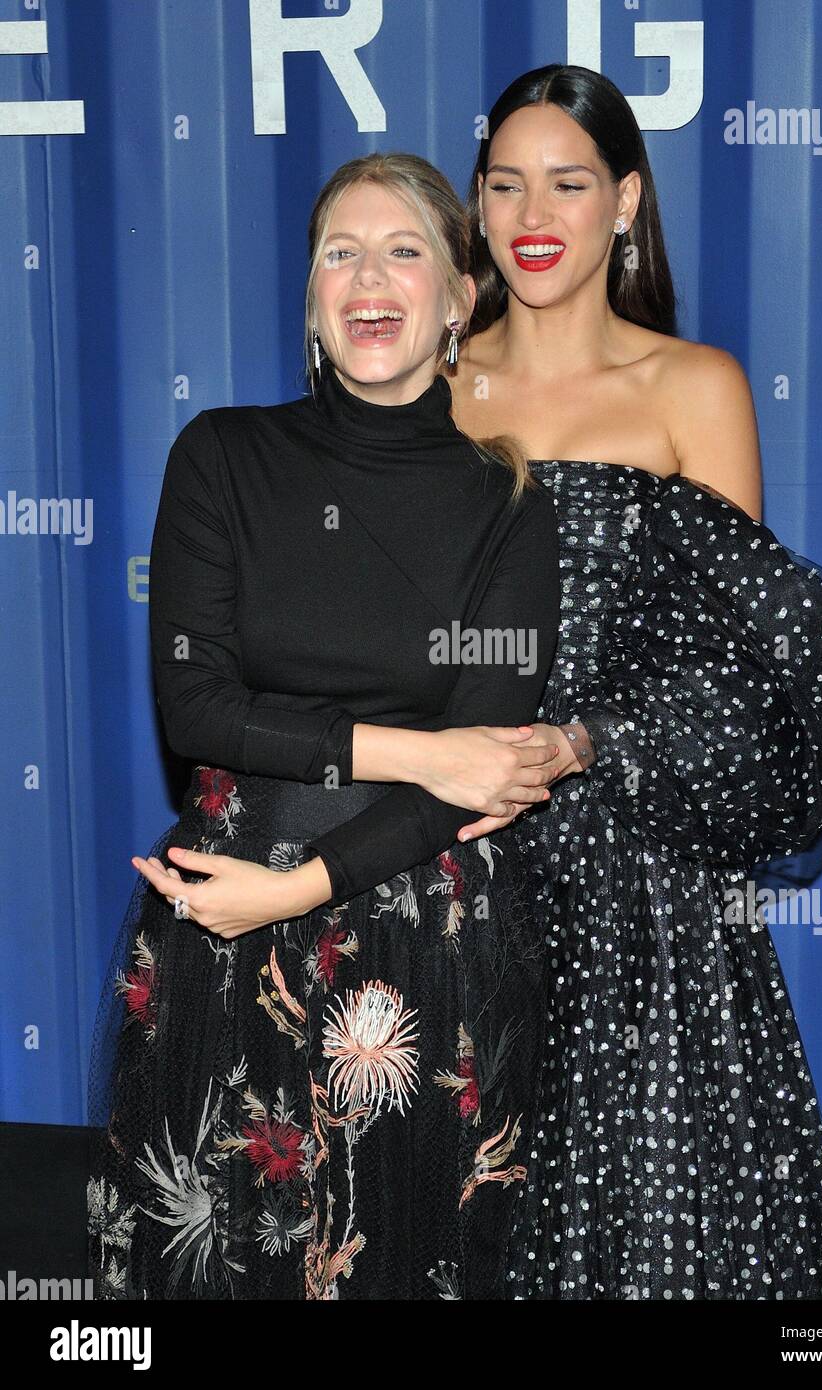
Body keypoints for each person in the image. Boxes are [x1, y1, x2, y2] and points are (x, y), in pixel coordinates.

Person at [442, 64, 822, 1300]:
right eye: (506, 184)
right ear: (478, 208)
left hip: (641, 896)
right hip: (444, 863)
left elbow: (742, 681)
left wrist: (584, 741)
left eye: (569, 181)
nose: (534, 212)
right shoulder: (434, 389)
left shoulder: (691, 388)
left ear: (627, 202)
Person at [86, 152, 562, 1301]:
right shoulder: (223, 457)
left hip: (424, 942)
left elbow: (483, 772)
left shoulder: (507, 505)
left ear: (460, 297)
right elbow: (198, 708)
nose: (368, 276)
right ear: (310, 300)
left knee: (398, 1264)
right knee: (210, 1261)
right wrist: (413, 748)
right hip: (218, 924)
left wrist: (297, 891)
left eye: (405, 250)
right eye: (339, 253)